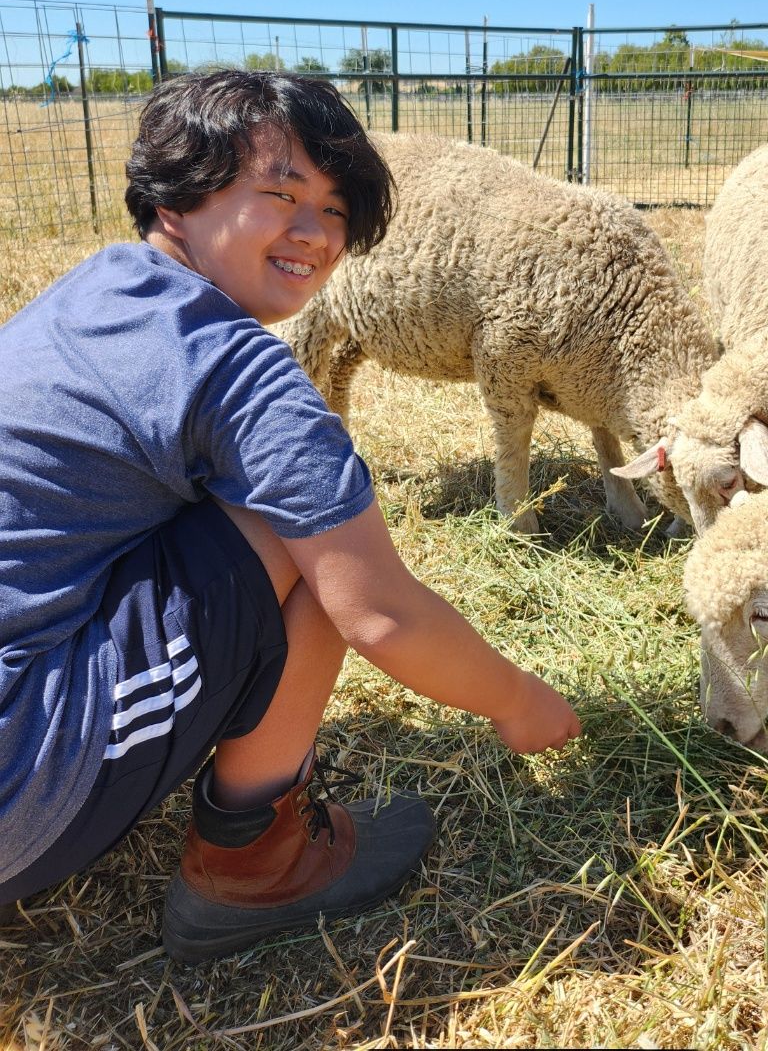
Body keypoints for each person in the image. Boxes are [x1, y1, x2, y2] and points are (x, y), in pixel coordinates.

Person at [0, 69, 581, 964]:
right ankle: (255, 863)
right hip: (17, 788)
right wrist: (520, 702)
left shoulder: (89, 295)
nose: (316, 234)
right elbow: (377, 611)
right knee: (302, 530)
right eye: (282, 193)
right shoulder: (232, 367)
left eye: (339, 210)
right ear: (179, 195)